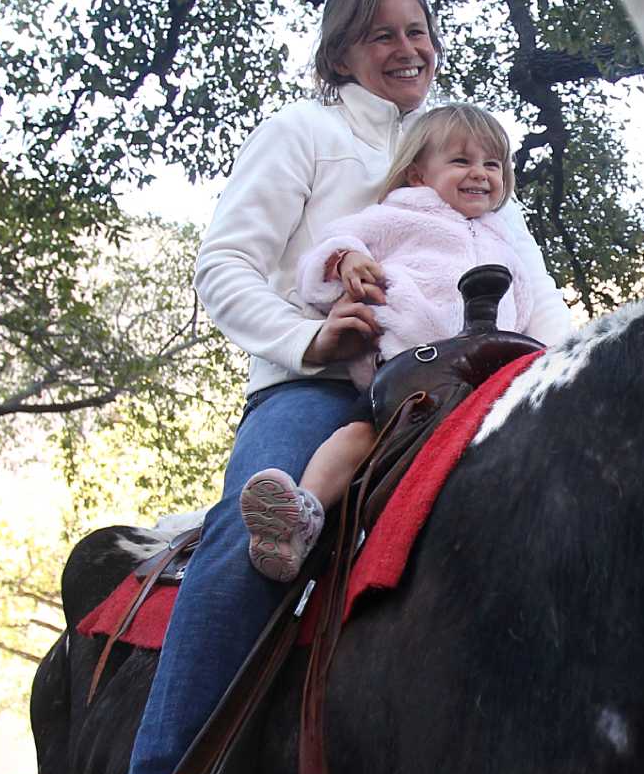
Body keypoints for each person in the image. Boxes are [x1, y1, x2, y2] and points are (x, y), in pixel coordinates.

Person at [95, 0, 463, 774]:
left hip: (447, 383)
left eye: (419, 30)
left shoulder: (461, 143)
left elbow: (518, 271)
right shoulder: (302, 135)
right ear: (341, 49)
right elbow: (222, 268)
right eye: (383, 34)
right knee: (245, 544)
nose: (408, 49)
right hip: (320, 395)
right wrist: (310, 337)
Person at [237, 101, 574, 579]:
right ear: (418, 175)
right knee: (357, 436)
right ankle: (303, 514)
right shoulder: (399, 214)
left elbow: (529, 310)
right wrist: (347, 260)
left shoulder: (503, 234)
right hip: (409, 370)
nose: (479, 173)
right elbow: (335, 242)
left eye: (492, 164)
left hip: (487, 381)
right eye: (460, 161)